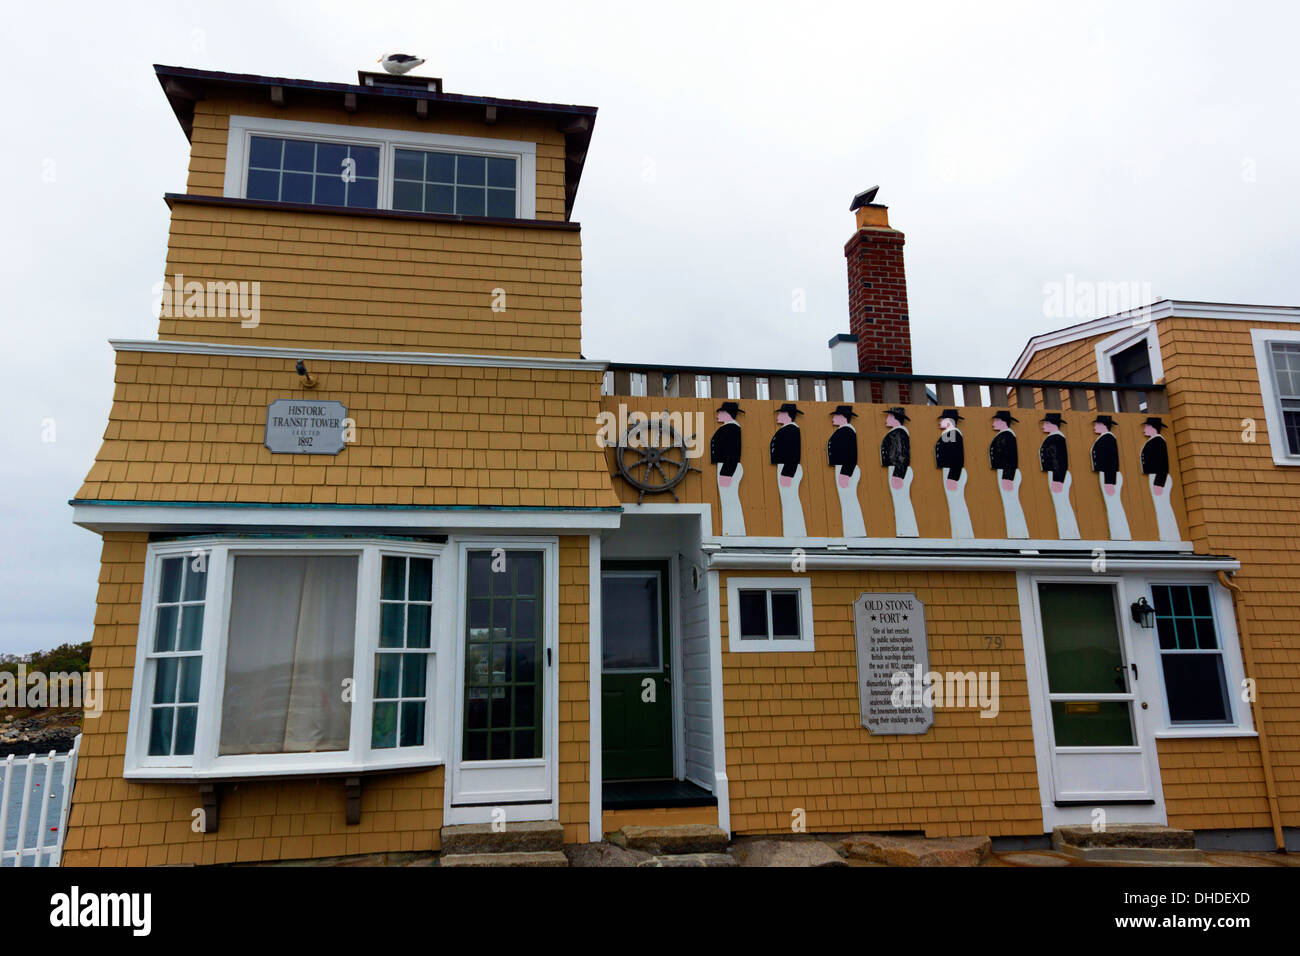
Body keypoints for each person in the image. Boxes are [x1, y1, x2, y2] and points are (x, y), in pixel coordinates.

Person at [1039, 412, 1080, 539]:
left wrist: (1058, 479)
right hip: (1056, 475)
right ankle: (1067, 532)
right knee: (1061, 504)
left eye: (1046, 423)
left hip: (1058, 476)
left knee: (1062, 504)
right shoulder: (1054, 437)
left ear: (1054, 425)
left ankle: (1069, 533)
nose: (1043, 426)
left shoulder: (1056, 438)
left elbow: (1060, 460)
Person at [934, 409, 974, 538]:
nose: (940, 421)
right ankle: (960, 532)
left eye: (943, 419)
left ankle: (964, 533)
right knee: (954, 502)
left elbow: (957, 456)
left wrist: (953, 476)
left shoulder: (953, 433)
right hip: (950, 471)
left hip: (953, 472)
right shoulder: (949, 433)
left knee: (956, 502)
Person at [989, 410, 1028, 539]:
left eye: (996, 420)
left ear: (1002, 422)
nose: (993, 423)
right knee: (1009, 503)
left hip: (1008, 473)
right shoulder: (1004, 434)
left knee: (1011, 502)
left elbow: (1011, 457)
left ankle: (1019, 533)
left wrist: (1008, 476)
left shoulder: (1008, 436)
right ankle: (1015, 532)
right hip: (1005, 472)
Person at [827, 405, 866, 537]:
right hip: (843, 468)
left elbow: (851, 454)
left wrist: (845, 473)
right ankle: (852, 530)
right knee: (846, 500)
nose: (833, 418)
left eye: (836, 416)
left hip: (846, 468)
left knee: (848, 499)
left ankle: (856, 531)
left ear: (843, 417)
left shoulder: (847, 431)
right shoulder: (843, 430)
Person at [1091, 414, 1131, 540]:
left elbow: (1111, 460)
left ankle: (1121, 534)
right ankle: (1118, 532)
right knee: (1112, 505)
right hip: (1107, 475)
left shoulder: (1108, 438)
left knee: (1114, 505)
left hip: (1109, 476)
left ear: (1104, 426)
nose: (1094, 427)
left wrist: (1110, 481)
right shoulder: (1105, 438)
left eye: (1097, 424)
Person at [770, 403, 806, 536]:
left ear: (787, 415)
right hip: (786, 467)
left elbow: (794, 453)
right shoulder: (787, 429)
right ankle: (793, 529)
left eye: (781, 414)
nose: (778, 416)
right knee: (788, 499)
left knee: (790, 499)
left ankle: (796, 531)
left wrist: (788, 473)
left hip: (788, 468)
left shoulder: (791, 429)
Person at [1140, 416, 1179, 541]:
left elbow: (1163, 463)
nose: (1144, 429)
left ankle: (1170, 535)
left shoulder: (1159, 441)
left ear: (1153, 428)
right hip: (1155, 476)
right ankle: (1166, 534)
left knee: (1163, 507)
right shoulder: (1154, 440)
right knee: (1160, 507)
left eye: (1147, 427)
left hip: (1159, 477)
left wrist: (1159, 483)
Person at [880, 407, 918, 537]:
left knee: (902, 501)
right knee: (900, 501)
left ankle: (908, 531)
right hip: (897, 470)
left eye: (889, 417)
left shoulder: (899, 433)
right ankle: (905, 530)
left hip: (899, 470)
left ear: (895, 419)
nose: (886, 419)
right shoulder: (896, 432)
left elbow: (902, 455)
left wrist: (898, 474)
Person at [710, 401, 745, 535]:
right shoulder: (729, 427)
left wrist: (727, 473)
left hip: (728, 467)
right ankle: (732, 529)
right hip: (726, 466)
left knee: (729, 499)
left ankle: (734, 530)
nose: (718, 414)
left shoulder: (732, 428)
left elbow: (734, 452)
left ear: (727, 414)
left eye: (721, 412)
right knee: (728, 499)